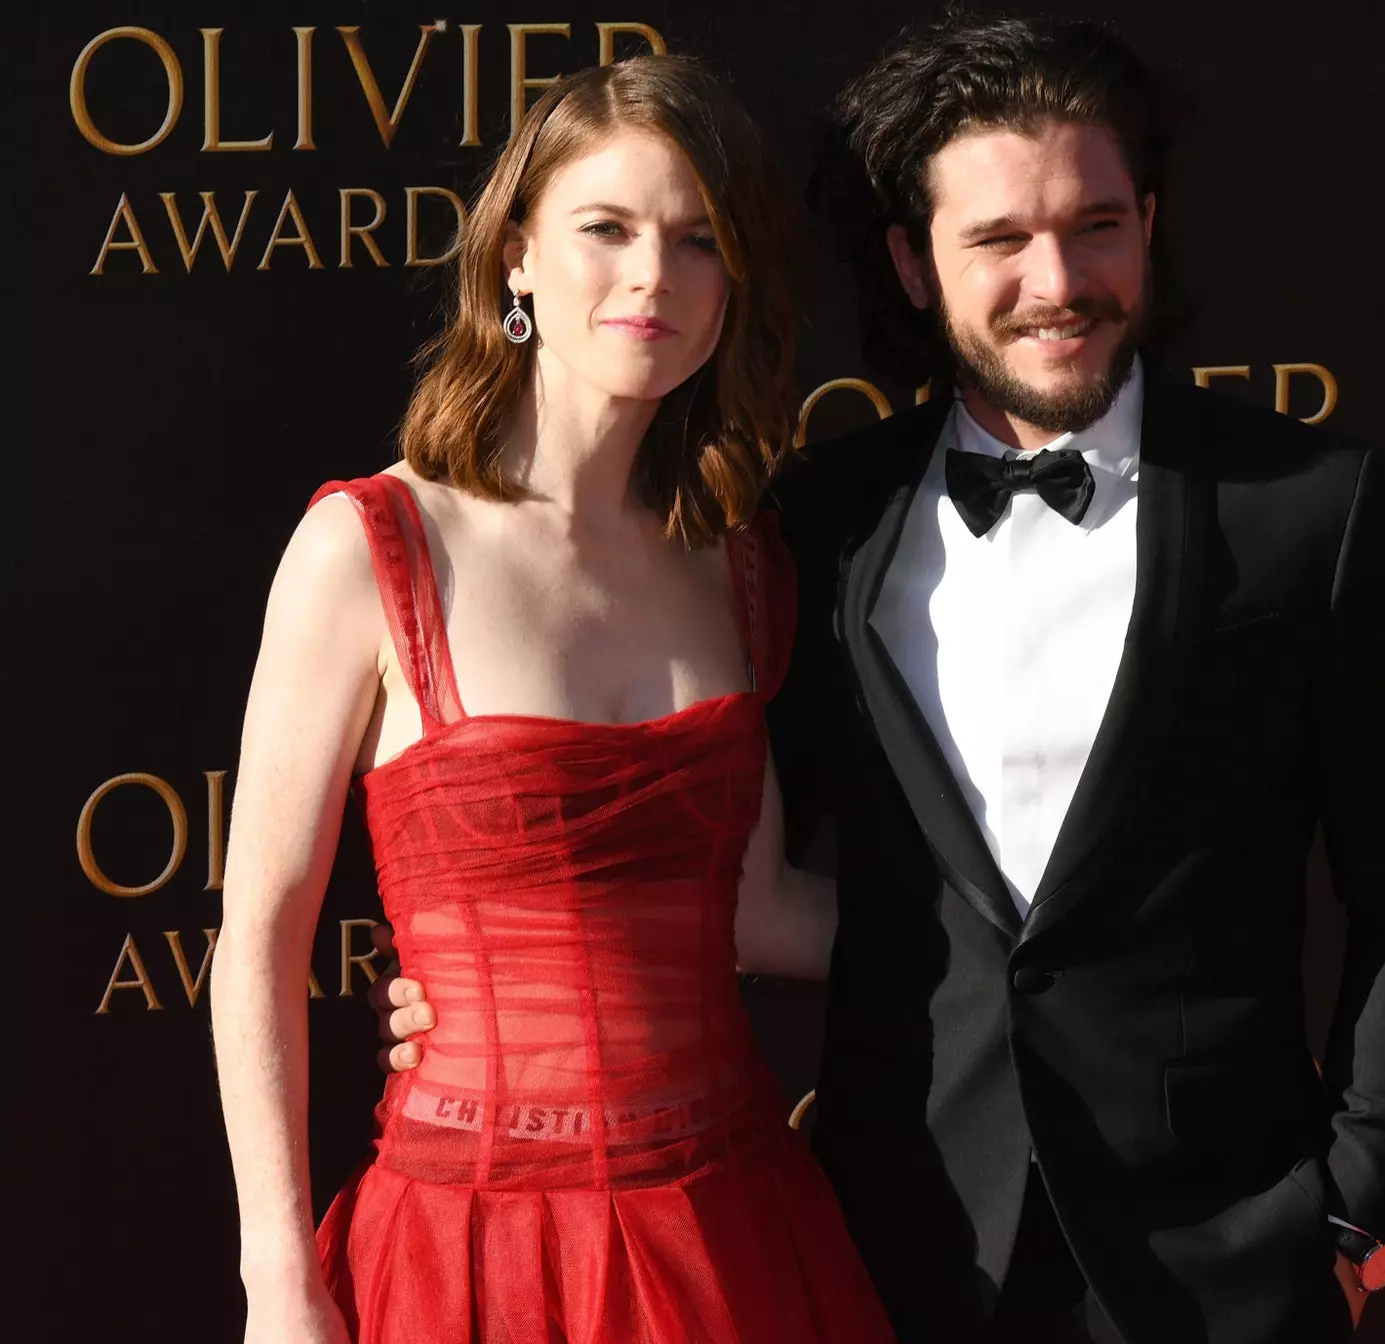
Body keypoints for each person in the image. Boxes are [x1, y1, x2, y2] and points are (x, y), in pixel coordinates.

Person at [372, 15, 1385, 1344]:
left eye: (1098, 225)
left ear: (1150, 225)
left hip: (1225, 1265)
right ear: (912, 262)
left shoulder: (1311, 508)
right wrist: (504, 991)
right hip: (894, 1256)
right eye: (1000, 241)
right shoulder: (809, 530)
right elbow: (697, 847)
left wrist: (1361, 1211)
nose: (1057, 279)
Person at [210, 55, 895, 1344]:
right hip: (472, 1252)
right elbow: (259, 939)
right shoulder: (373, 545)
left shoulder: (743, 568)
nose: (654, 275)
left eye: (699, 240)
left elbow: (760, 916)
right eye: (607, 229)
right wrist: (278, 1281)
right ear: (516, 255)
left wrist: (1046, 940)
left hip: (733, 1239)